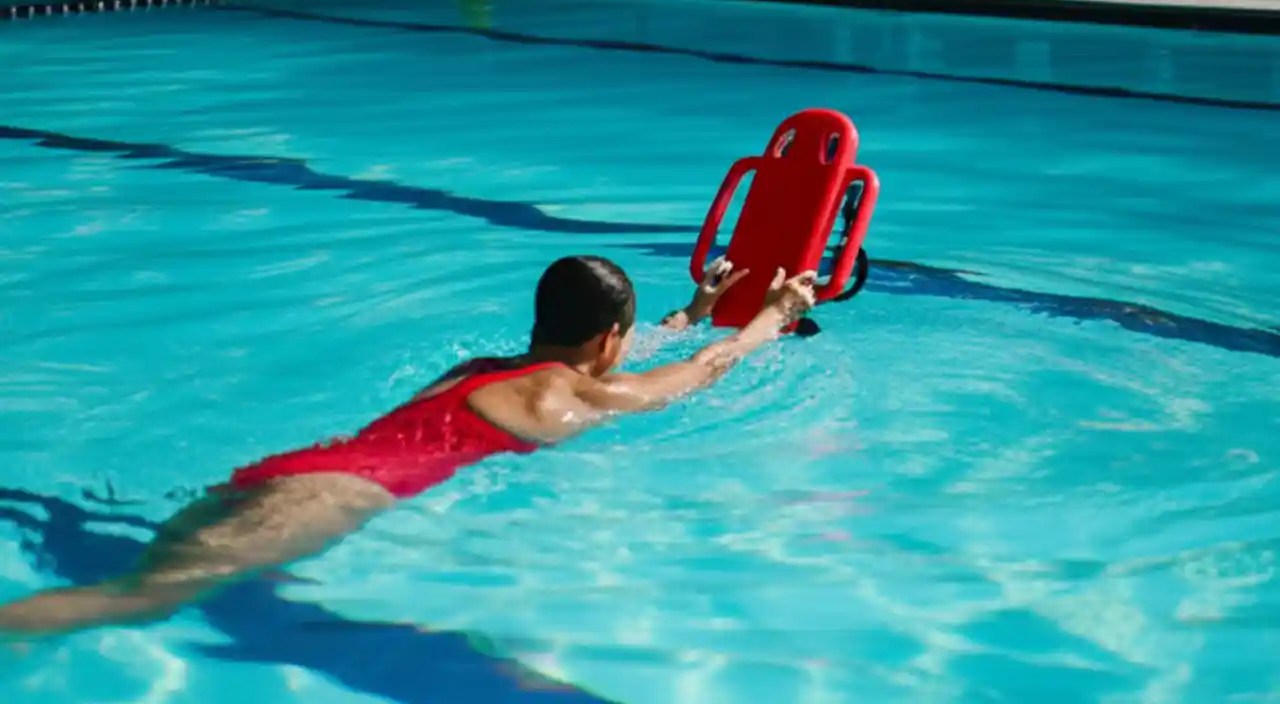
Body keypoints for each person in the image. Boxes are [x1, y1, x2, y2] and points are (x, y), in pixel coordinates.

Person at [0, 255, 816, 636]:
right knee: (137, 601)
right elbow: (706, 371)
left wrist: (693, 307)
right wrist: (774, 315)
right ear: (609, 339)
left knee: (142, 584)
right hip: (333, 498)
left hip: (292, 468)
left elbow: (644, 344)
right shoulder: (580, 395)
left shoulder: (484, 367)